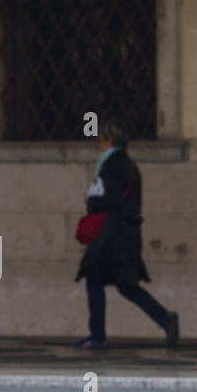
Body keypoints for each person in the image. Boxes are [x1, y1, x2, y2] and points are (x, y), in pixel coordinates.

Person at [74, 118, 178, 349]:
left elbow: (107, 199)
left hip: (112, 236)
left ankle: (97, 337)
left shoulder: (112, 165)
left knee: (94, 279)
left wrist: (92, 200)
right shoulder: (128, 165)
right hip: (125, 234)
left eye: (100, 138)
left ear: (109, 139)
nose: (98, 143)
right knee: (126, 285)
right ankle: (164, 318)